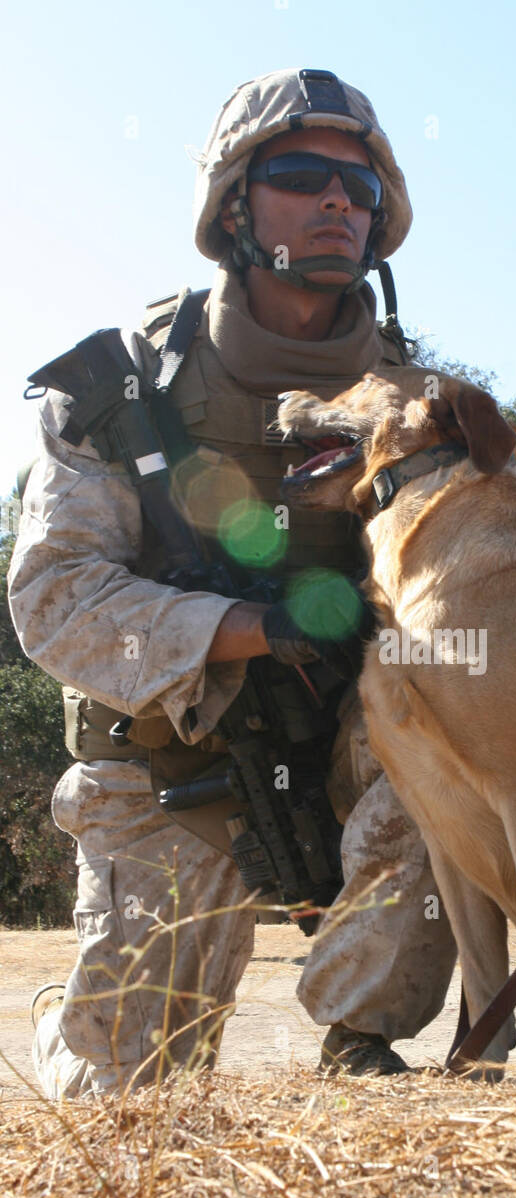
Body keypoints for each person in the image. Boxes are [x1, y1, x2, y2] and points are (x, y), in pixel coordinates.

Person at [8, 67, 457, 1100]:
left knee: (459, 729)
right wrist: (263, 629)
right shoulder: (115, 391)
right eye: (303, 175)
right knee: (128, 1103)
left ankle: (361, 1038)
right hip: (170, 761)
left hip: (358, 740)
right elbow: (54, 600)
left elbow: (494, 588)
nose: (340, 201)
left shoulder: (420, 402)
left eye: (360, 186)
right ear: (231, 207)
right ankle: (66, 1030)